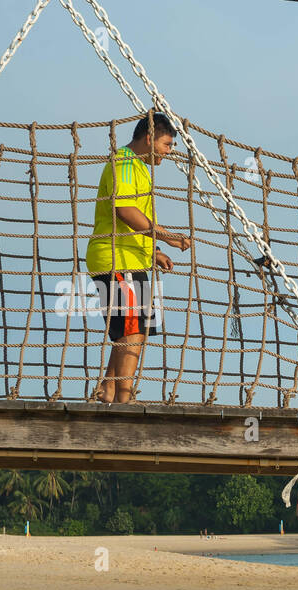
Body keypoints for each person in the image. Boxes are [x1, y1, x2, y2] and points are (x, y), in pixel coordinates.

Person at [87, 112, 191, 403]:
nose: (169, 152)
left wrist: (154, 251)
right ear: (149, 138)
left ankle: (108, 388)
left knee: (132, 329)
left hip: (132, 256)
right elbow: (125, 210)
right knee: (133, 329)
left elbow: (134, 216)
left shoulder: (141, 168)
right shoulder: (125, 162)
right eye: (167, 145)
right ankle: (124, 397)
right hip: (116, 257)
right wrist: (168, 236)